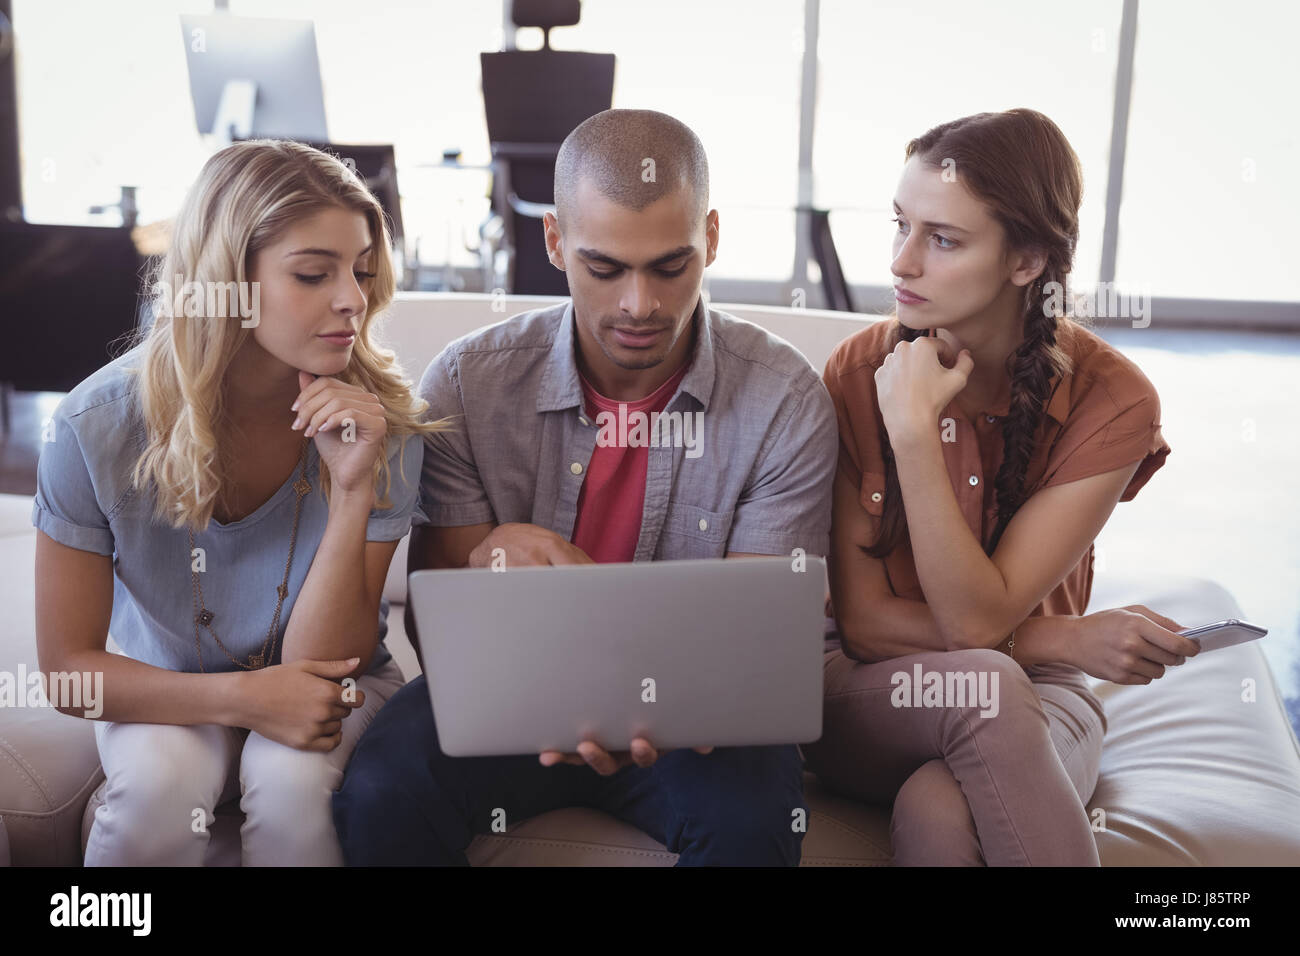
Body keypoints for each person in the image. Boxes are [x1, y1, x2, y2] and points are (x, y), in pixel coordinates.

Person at [333, 108, 838, 866]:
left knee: (754, 824)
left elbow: (750, 650)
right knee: (379, 795)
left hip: (695, 725)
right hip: (507, 701)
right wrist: (486, 560)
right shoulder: (470, 383)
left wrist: (655, 699)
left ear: (712, 239)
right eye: (605, 268)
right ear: (555, 241)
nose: (640, 304)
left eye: (671, 266)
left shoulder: (785, 400)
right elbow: (443, 637)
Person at [803, 108, 1200, 865]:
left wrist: (916, 437)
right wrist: (1067, 635)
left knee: (938, 805)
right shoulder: (858, 373)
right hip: (868, 690)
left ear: (1026, 261)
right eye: (900, 225)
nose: (901, 262)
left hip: (1040, 693)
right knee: (983, 685)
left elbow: (980, 626)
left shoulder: (1113, 400)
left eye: (942, 239)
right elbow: (864, 624)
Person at [32, 139, 442, 866]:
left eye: (362, 270)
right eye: (313, 273)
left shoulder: (380, 425)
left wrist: (350, 493)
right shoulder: (94, 426)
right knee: (160, 784)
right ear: (226, 279)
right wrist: (244, 699)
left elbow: (324, 664)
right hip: (164, 690)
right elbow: (69, 671)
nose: (351, 297)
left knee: (291, 781)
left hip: (334, 680)